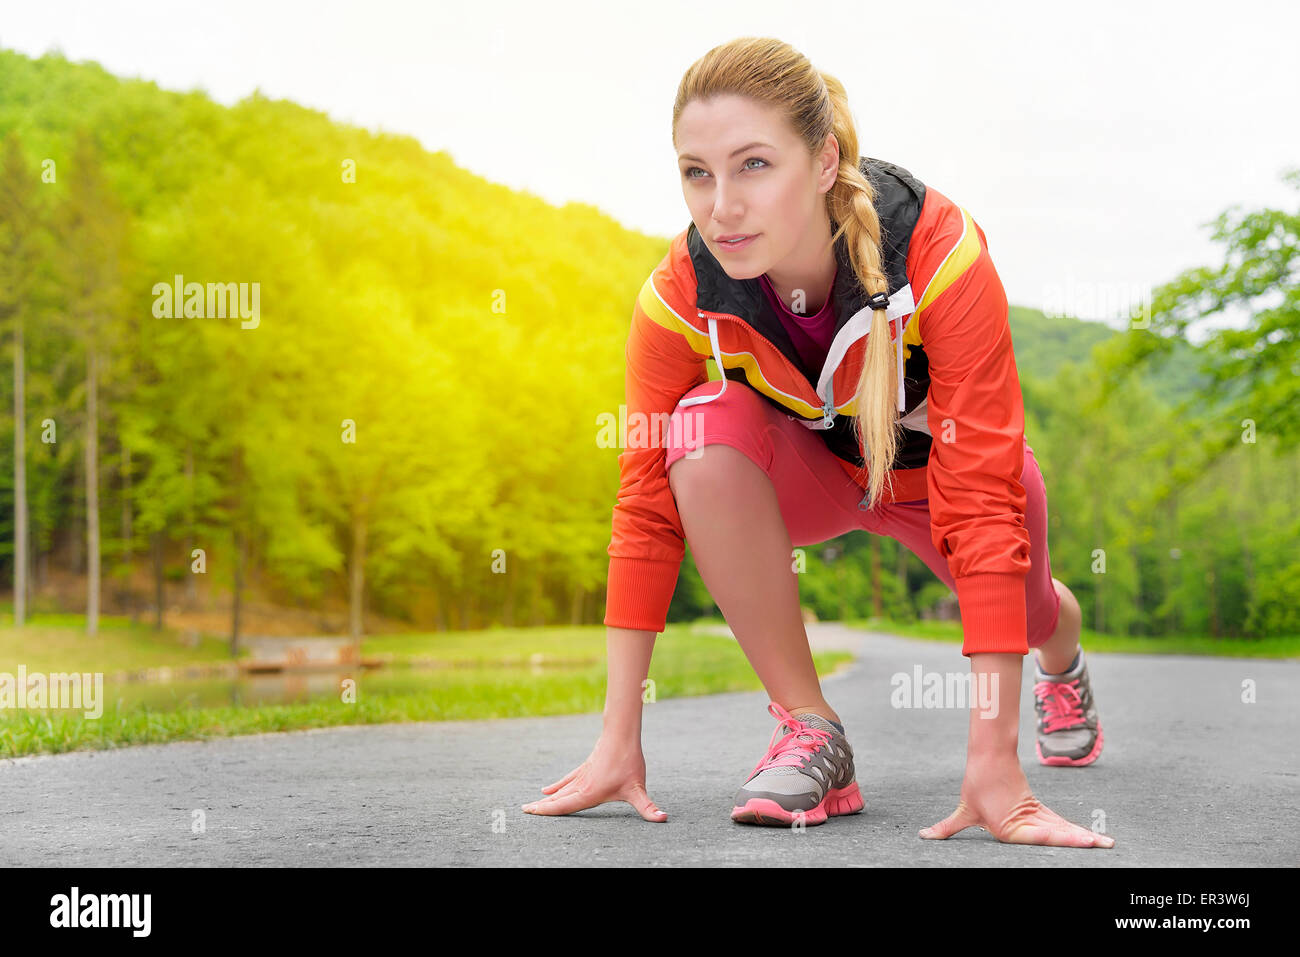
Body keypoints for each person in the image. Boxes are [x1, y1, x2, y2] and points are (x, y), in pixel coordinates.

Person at [522, 36, 1111, 848]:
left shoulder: (942, 253)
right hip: (812, 481)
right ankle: (812, 728)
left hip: (940, 484)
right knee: (695, 424)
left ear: (825, 159)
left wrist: (993, 764)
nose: (720, 203)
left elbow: (983, 502)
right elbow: (646, 504)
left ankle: (1063, 662)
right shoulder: (675, 295)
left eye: (753, 165)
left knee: (1038, 608)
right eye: (697, 171)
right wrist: (617, 739)